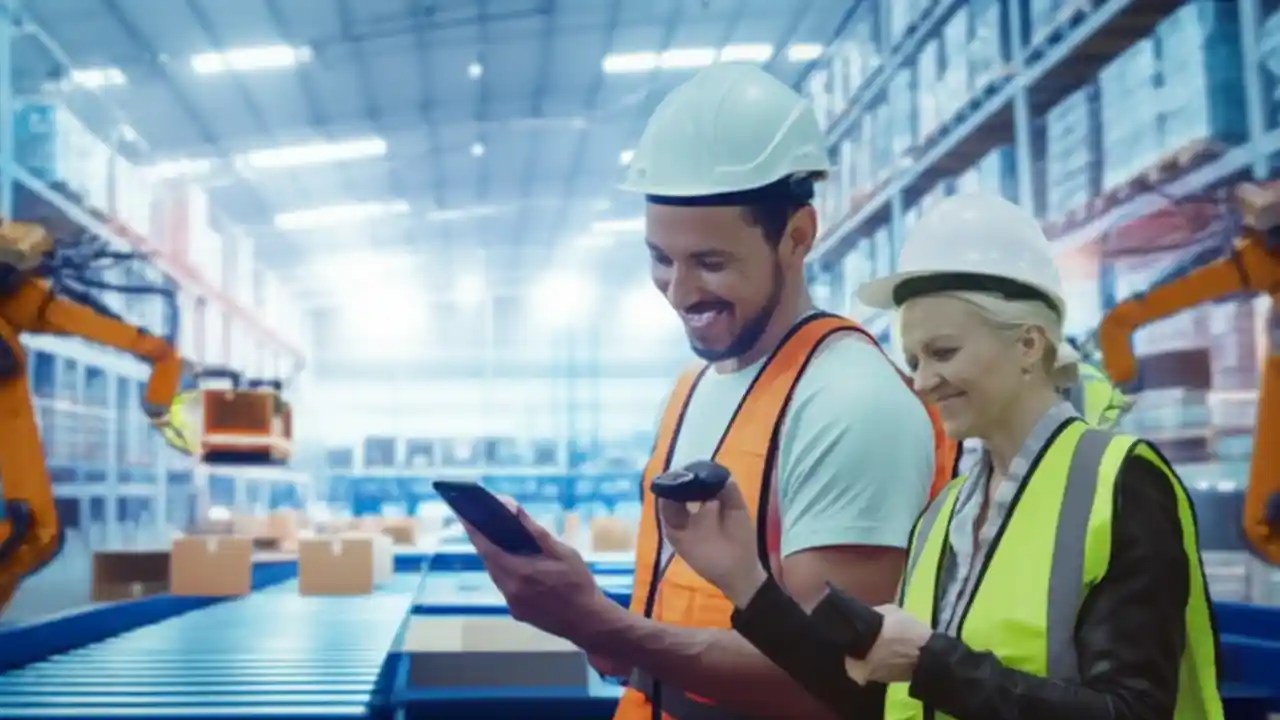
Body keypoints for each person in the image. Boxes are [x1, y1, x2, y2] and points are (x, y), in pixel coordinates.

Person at [460, 62, 957, 720]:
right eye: (660, 259)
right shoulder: (694, 388)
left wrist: (602, 624)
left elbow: (834, 679)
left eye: (711, 263)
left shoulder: (849, 403)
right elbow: (672, 619)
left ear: (797, 237)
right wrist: (591, 614)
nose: (680, 292)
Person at [657, 193, 1225, 720]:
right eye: (913, 359)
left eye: (943, 353)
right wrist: (746, 583)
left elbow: (1132, 712)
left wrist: (931, 662)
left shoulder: (1119, 484)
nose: (923, 382)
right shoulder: (946, 513)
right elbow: (880, 699)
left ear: (1029, 344)